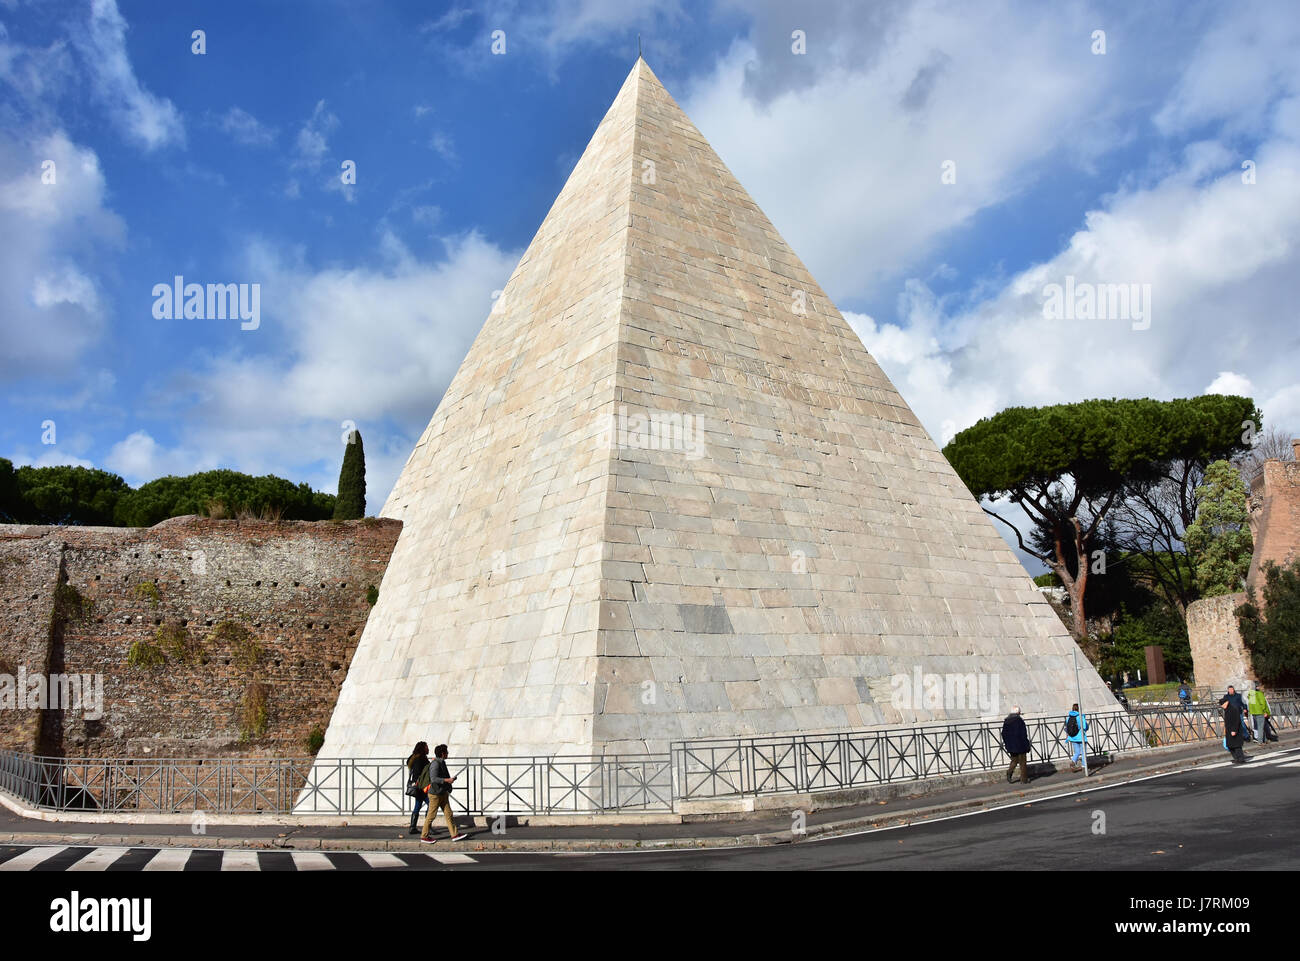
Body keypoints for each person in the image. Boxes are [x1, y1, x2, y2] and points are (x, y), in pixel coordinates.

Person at [419, 744, 467, 843]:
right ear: (442, 754)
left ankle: (455, 835)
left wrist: (449, 781)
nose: (448, 754)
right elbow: (434, 779)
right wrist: (447, 780)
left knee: (449, 814)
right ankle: (424, 836)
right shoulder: (435, 764)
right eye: (447, 752)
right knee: (431, 816)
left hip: (442, 793)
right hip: (435, 794)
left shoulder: (442, 762)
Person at [1001, 706, 1031, 784]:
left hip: (1011, 745)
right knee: (1023, 763)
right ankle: (1024, 780)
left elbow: (1003, 734)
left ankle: (1009, 772)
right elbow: (1023, 734)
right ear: (1018, 712)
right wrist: (1026, 745)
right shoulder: (1019, 721)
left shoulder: (1006, 721)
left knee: (1014, 761)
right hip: (1020, 745)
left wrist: (1008, 744)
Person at [406, 741, 430, 835]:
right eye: (426, 747)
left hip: (419, 787)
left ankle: (413, 827)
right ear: (423, 748)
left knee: (418, 805)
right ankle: (428, 827)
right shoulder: (420, 759)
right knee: (431, 804)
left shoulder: (415, 758)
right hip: (421, 787)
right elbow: (418, 773)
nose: (428, 749)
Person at [1222, 697, 1250, 763]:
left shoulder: (1233, 709)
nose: (1222, 706)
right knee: (1230, 746)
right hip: (1230, 730)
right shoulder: (1227, 709)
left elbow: (1236, 721)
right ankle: (1236, 758)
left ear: (1226, 703)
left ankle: (1240, 759)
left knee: (1237, 746)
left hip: (1235, 731)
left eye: (1222, 704)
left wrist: (1234, 730)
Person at [1065, 703, 1088, 772]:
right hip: (1081, 737)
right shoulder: (1080, 716)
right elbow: (1084, 727)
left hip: (1072, 737)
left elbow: (1066, 728)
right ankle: (1084, 766)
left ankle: (1073, 761)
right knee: (1083, 752)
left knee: (1077, 752)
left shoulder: (1068, 717)